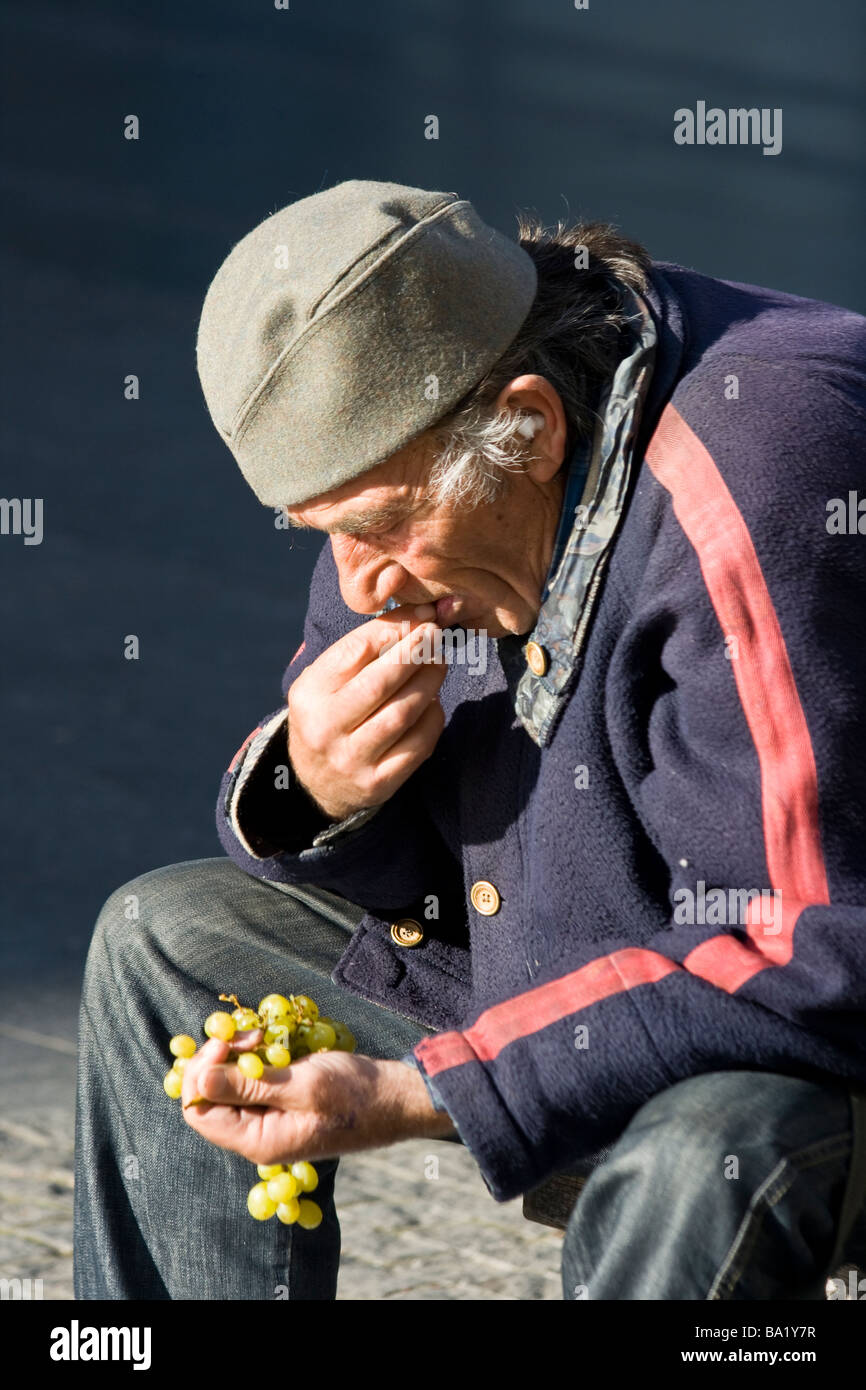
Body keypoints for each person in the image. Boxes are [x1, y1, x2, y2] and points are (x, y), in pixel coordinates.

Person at [74, 179, 866, 1300]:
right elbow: (457, 865)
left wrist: (436, 1091)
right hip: (607, 959)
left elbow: (818, 954)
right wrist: (318, 786)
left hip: (807, 1021)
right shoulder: (431, 438)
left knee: (698, 1156)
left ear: (530, 427)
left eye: (380, 525)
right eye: (324, 533)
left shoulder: (763, 474)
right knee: (169, 942)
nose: (358, 586)